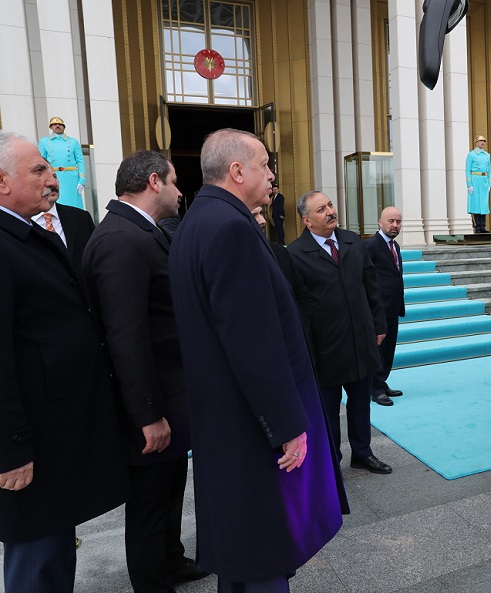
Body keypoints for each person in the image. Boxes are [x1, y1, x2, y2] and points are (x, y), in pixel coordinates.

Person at [168, 129, 347, 593]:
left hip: (222, 415)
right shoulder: (229, 228)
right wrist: (286, 426)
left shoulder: (197, 221)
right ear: (237, 171)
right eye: (265, 165)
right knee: (265, 545)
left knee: (240, 547)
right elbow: (252, 340)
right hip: (249, 421)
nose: (272, 175)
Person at [0, 130, 129, 592]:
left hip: (55, 433)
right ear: (2, 182)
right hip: (29, 440)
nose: (51, 177)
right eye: (38, 169)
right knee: (35, 558)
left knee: (55, 551)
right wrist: (11, 449)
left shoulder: (29, 233)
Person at [82, 150, 209, 592]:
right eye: (175, 182)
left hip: (170, 395)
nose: (180, 191)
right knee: (150, 505)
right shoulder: (121, 238)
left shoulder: (142, 231)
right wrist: (148, 415)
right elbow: (126, 337)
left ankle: (171, 561)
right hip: (150, 406)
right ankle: (153, 582)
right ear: (154, 182)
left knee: (169, 491)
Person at [286, 190, 393, 474]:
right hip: (326, 347)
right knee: (328, 411)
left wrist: (379, 324)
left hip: (361, 340)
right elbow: (299, 306)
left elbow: (371, 284)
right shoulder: (295, 254)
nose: (330, 211)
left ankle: (362, 453)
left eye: (330, 205)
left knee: (360, 404)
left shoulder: (352, 241)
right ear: (307, 220)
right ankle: (332, 461)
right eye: (321, 209)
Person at [364, 207, 406, 406]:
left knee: (389, 349)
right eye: (390, 221)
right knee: (378, 350)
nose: (395, 225)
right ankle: (375, 388)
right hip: (378, 309)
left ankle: (382, 381)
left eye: (398, 221)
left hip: (393, 306)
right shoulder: (371, 245)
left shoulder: (395, 246)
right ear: (380, 222)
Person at [31, 181, 96, 285]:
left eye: (54, 176)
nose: (52, 184)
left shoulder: (81, 218)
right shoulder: (19, 223)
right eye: (43, 179)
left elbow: (95, 261)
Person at [39, 117, 87, 209]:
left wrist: (82, 180)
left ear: (64, 127)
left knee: (73, 204)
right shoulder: (44, 142)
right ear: (51, 127)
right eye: (54, 124)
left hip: (71, 177)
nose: (57, 126)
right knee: (57, 202)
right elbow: (42, 162)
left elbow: (80, 161)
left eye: (60, 124)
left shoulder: (73, 142)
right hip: (54, 176)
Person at [465, 134, 491, 233]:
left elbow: (489, 170)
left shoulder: (487, 155)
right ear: (476, 142)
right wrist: (469, 184)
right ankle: (478, 226)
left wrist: (489, 183)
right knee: (476, 204)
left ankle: (483, 226)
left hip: (484, 180)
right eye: (480, 141)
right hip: (475, 179)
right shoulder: (471, 155)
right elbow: (468, 170)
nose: (483, 142)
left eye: (484, 141)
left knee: (483, 204)